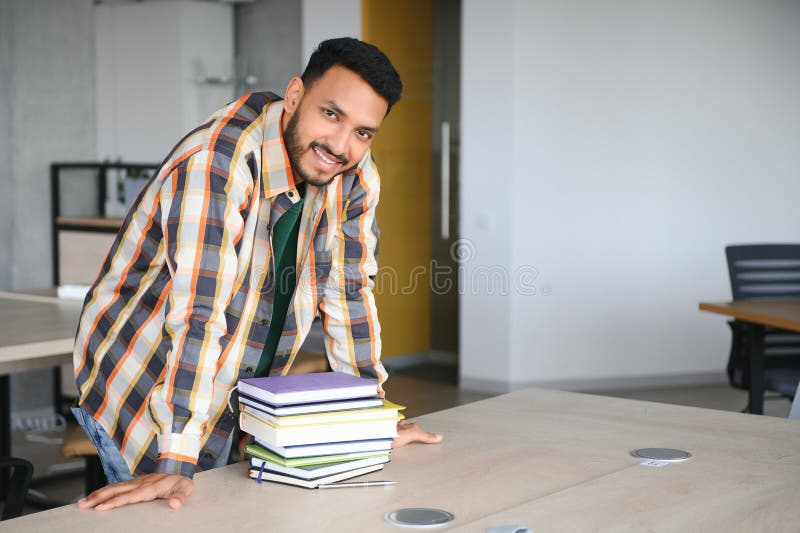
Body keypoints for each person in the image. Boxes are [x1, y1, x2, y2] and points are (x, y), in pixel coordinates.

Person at [72, 37, 442, 511]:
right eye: (331, 114)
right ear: (294, 96)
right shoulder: (218, 163)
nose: (342, 145)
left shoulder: (352, 174)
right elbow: (200, 311)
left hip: (240, 399)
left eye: (363, 132)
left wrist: (370, 416)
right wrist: (175, 459)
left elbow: (349, 296)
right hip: (144, 393)